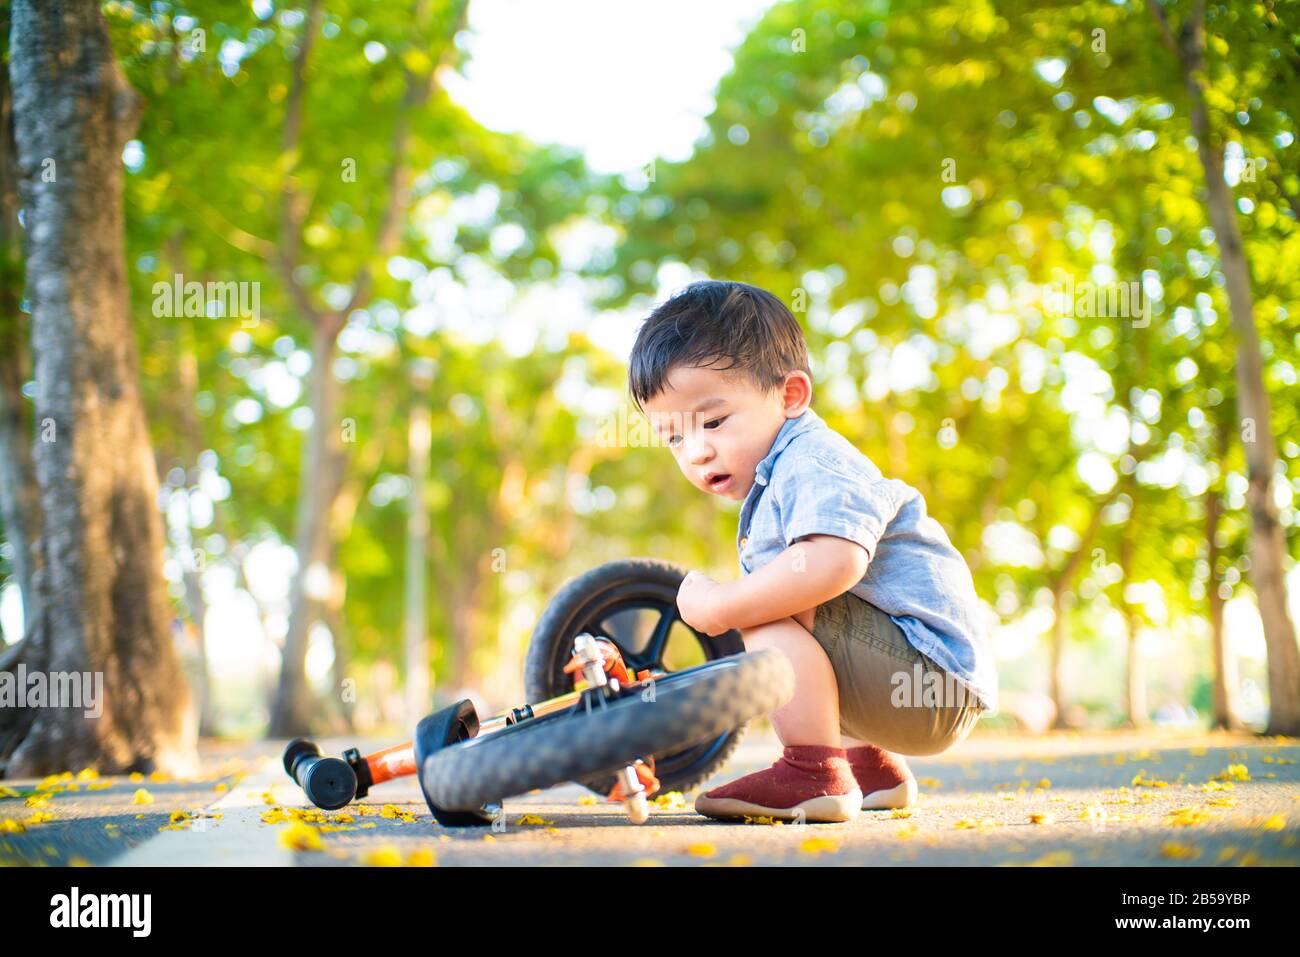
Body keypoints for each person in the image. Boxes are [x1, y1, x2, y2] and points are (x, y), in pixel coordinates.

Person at [628, 280, 997, 823]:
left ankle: (812, 773)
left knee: (768, 602)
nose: (697, 449)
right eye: (674, 437)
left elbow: (836, 563)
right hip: (922, 686)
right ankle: (869, 768)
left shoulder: (811, 459)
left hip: (929, 681)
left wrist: (723, 606)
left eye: (712, 421)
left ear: (791, 395)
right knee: (778, 592)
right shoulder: (781, 471)